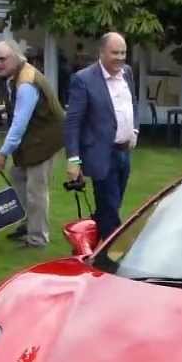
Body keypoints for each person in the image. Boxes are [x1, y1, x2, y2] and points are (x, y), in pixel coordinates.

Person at [0, 40, 66, 249]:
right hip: (34, 138)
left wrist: (3, 153)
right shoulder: (15, 77)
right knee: (18, 176)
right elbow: (19, 113)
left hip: (46, 139)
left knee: (36, 189)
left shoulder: (26, 84)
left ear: (16, 56)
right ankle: (27, 224)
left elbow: (19, 125)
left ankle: (38, 238)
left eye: (3, 58)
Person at [64, 32, 139, 241]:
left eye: (123, 53)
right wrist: (73, 159)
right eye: (115, 53)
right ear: (102, 52)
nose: (120, 57)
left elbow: (132, 102)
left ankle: (95, 245)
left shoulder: (127, 73)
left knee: (110, 207)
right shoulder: (83, 79)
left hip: (124, 153)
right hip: (101, 155)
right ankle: (110, 256)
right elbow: (72, 123)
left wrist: (134, 130)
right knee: (110, 212)